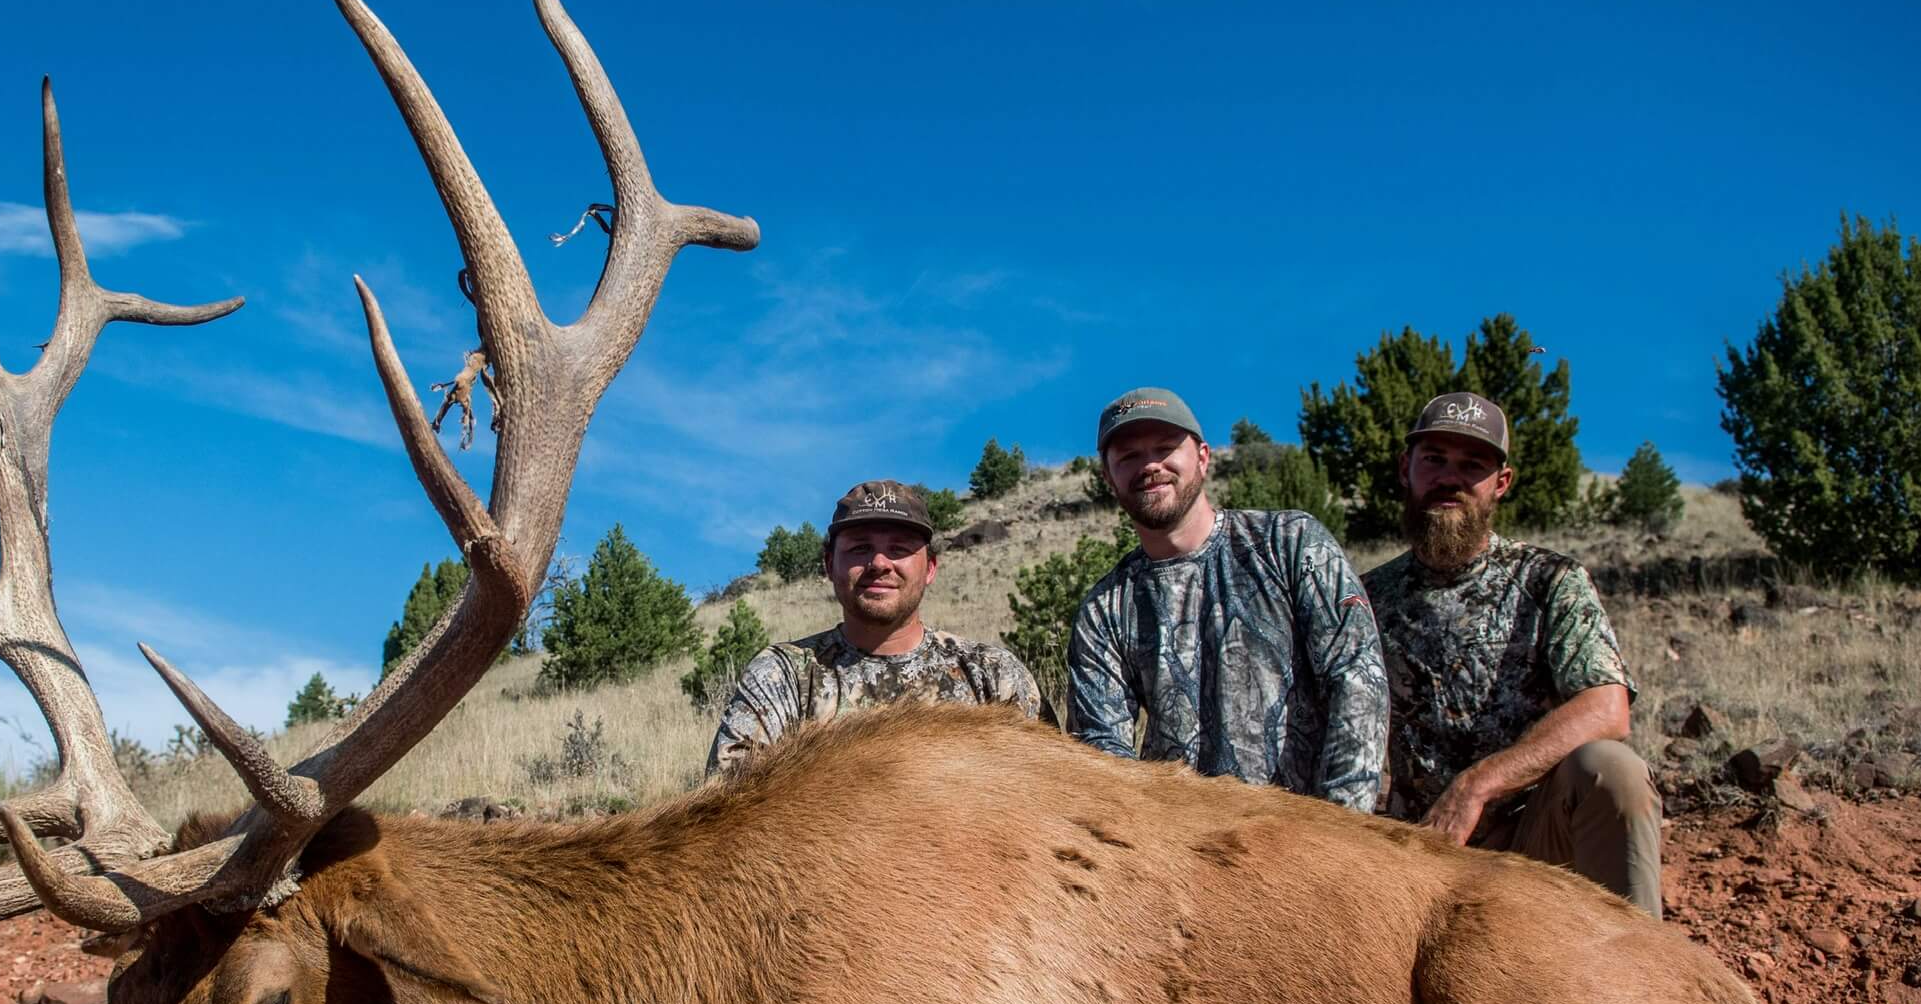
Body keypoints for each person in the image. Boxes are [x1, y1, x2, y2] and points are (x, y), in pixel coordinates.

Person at [1362, 391, 1662, 918]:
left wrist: (1476, 786)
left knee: (1611, 770)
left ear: (1500, 483)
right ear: (1406, 467)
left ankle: (1646, 974)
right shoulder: (1365, 597)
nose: (1449, 477)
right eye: (1434, 459)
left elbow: (1607, 706)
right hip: (1422, 853)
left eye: (1471, 464)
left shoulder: (1550, 581)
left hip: (1537, 843)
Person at [1066, 388, 1389, 810]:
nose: (1150, 466)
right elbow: (1102, 756)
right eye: (1129, 456)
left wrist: (1345, 829)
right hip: (1184, 852)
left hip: (1309, 840)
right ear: (1108, 477)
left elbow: (1356, 681)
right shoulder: (1104, 611)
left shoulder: (1289, 544)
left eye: (1166, 448)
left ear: (1202, 456)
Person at [707, 481, 1041, 774]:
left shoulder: (993, 676)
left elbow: (1051, 797)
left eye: (898, 549)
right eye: (860, 548)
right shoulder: (783, 676)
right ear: (829, 565)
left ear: (930, 568)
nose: (880, 564)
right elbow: (731, 813)